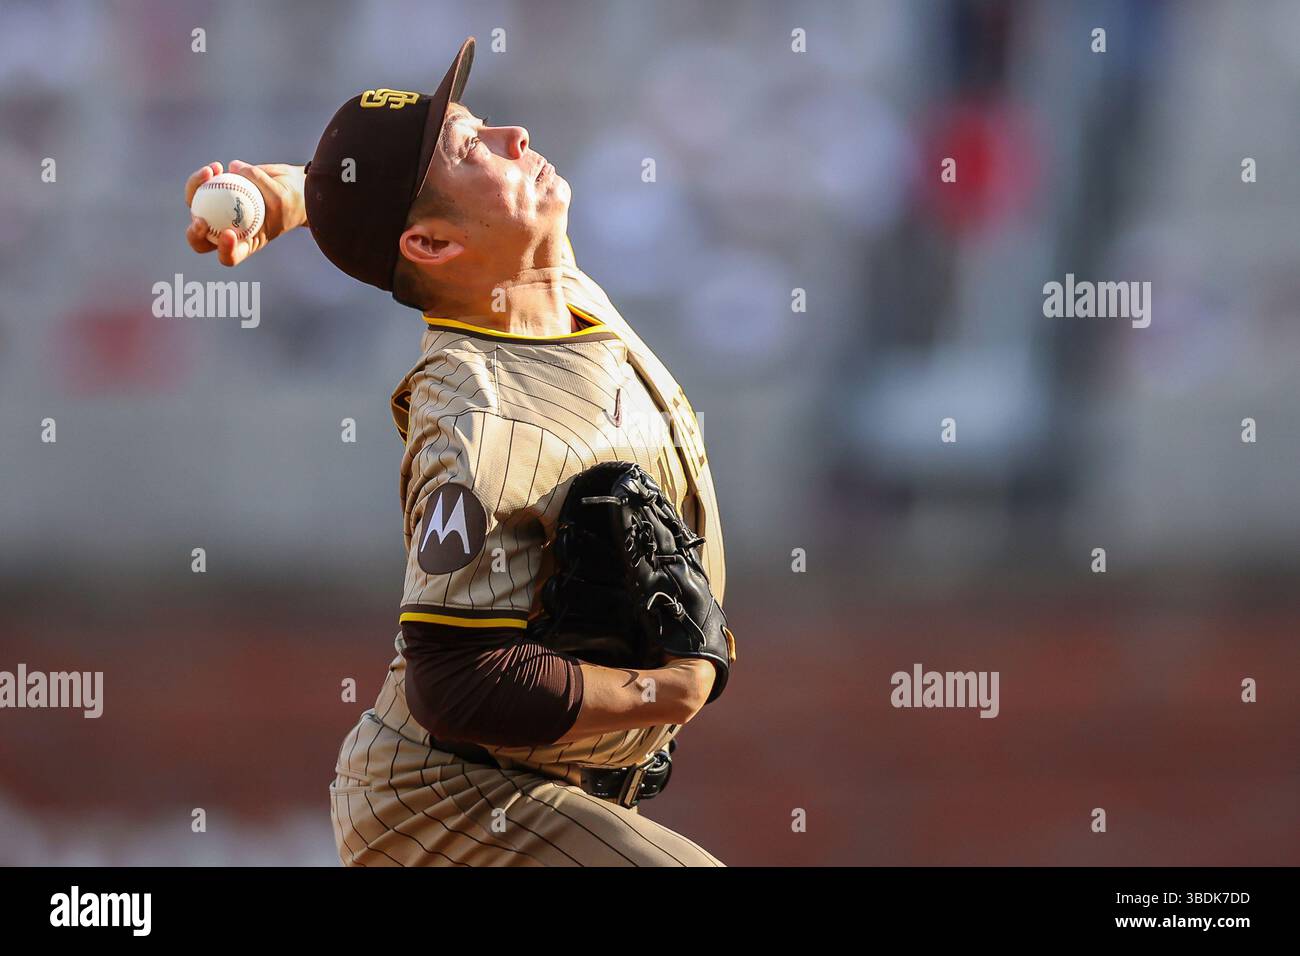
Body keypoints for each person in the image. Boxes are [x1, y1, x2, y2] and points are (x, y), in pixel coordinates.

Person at [183, 37, 732, 866]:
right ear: (435, 247)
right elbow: (453, 677)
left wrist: (285, 193)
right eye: (472, 146)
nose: (514, 136)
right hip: (452, 801)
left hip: (538, 788)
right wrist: (665, 690)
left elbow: (393, 206)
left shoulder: (545, 288)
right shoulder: (476, 414)